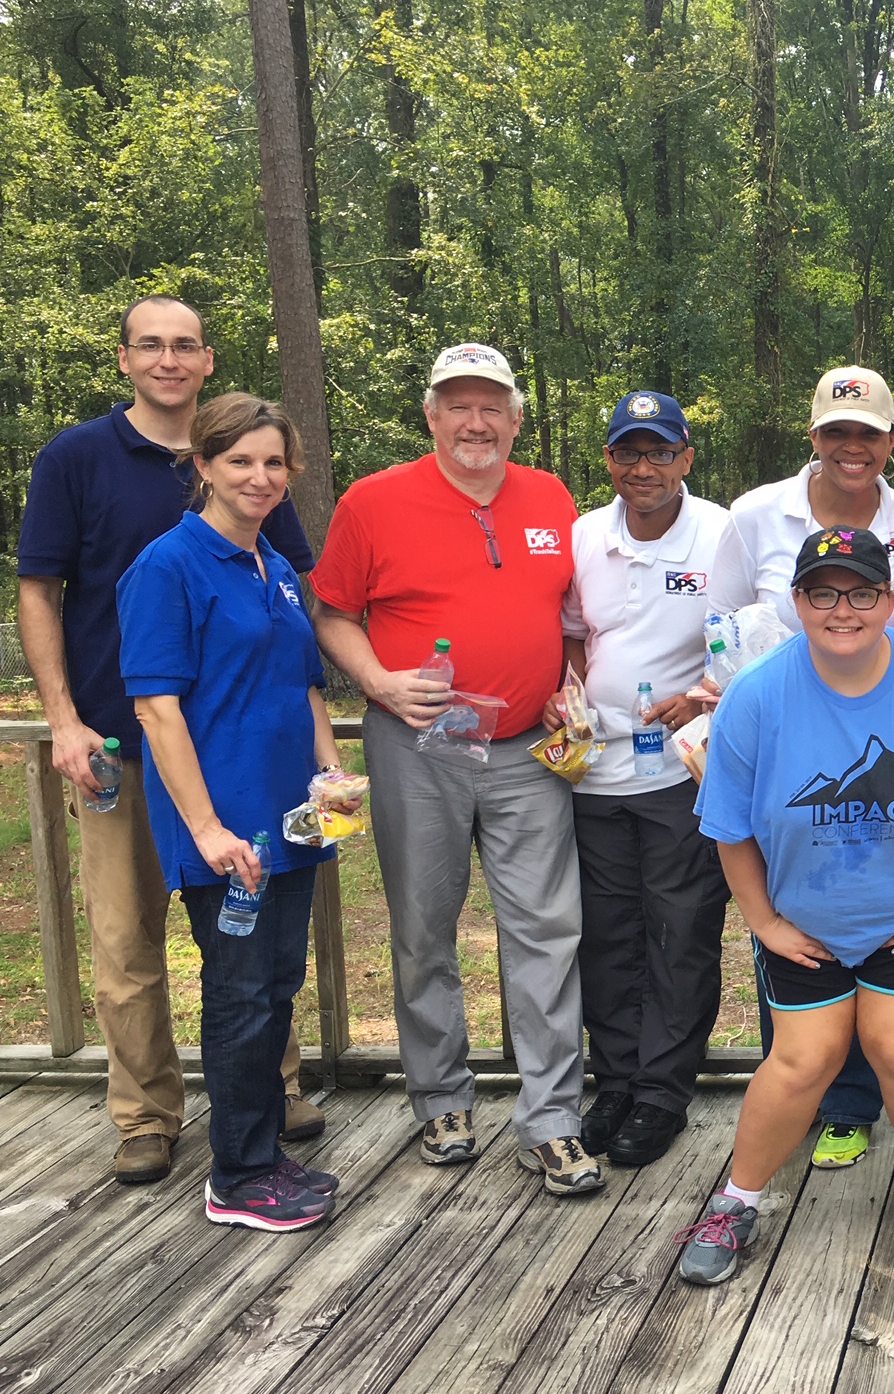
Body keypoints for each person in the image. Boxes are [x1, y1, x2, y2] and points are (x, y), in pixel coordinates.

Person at [16, 295, 323, 1187]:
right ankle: (149, 1116)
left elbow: (294, 600)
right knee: (128, 941)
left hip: (240, 757)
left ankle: (269, 1093)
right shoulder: (76, 458)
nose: (168, 359)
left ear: (207, 359)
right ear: (123, 360)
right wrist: (66, 718)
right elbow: (41, 591)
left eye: (184, 345)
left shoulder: (253, 491)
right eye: (149, 345)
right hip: (122, 740)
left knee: (254, 947)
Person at [676, 526, 894, 1285]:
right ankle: (736, 1200)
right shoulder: (758, 694)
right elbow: (728, 827)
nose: (843, 609)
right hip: (801, 919)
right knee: (803, 1057)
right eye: (823, 592)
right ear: (797, 602)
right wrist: (763, 922)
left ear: (890, 600)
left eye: (862, 592)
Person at [311, 343, 603, 1198]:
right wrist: (374, 681)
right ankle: (441, 1097)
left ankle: (551, 1118)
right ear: (432, 415)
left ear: (515, 417)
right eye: (458, 405)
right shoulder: (375, 501)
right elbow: (331, 611)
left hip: (527, 753)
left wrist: (570, 681)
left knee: (548, 932)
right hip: (420, 747)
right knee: (422, 927)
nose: (476, 422)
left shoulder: (551, 496)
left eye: (492, 406)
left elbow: (569, 613)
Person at [707, 366, 894, 1171]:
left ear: (889, 441)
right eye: (837, 431)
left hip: (892, 737)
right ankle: (798, 1117)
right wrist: (718, 705)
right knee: (798, 941)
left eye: (869, 433)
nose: (854, 447)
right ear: (813, 436)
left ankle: (861, 1111)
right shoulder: (753, 514)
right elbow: (724, 625)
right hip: (780, 739)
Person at [117, 394, 348, 1230]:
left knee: (275, 986)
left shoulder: (275, 570)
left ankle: (261, 1150)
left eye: (274, 463)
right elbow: (156, 709)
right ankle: (239, 1175)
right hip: (227, 837)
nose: (260, 477)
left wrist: (330, 772)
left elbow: (303, 685)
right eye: (241, 461)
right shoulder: (167, 567)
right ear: (203, 465)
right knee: (242, 994)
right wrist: (207, 830)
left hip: (290, 823)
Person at [551, 391, 731, 1167]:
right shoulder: (584, 535)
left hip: (684, 770)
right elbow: (571, 638)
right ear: (609, 461)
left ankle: (663, 1090)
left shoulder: (722, 533)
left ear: (687, 459)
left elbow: (752, 640)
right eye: (630, 452)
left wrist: (699, 695)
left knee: (682, 931)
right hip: (594, 770)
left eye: (661, 452)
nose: (644, 467)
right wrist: (568, 693)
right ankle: (617, 1076)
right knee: (607, 933)